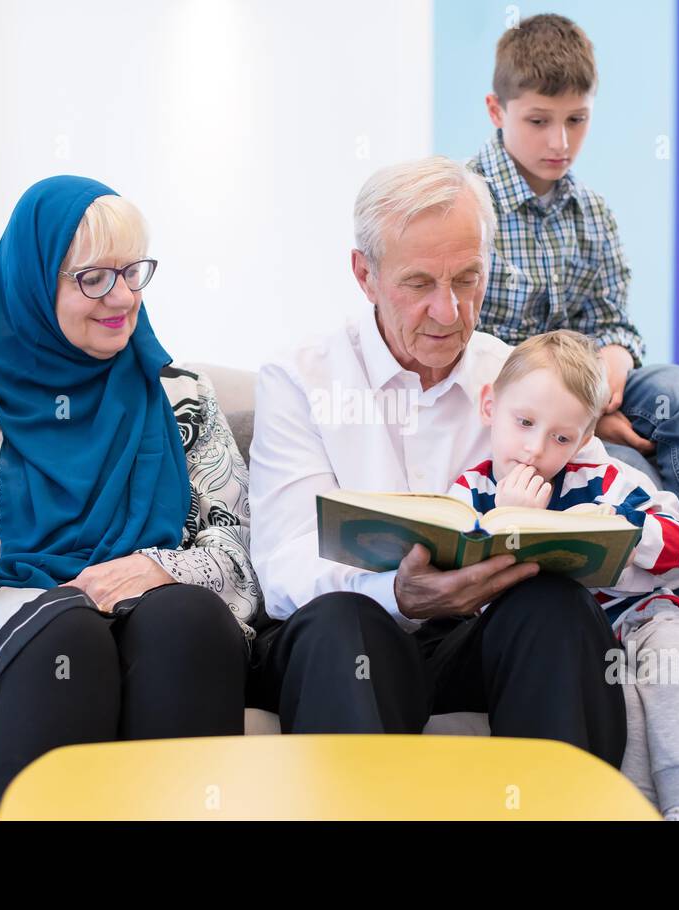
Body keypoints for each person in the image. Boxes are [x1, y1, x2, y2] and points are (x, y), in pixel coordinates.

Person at [249, 157, 626, 763]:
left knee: (555, 608)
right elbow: (283, 568)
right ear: (364, 275)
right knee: (342, 625)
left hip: (473, 639)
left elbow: (606, 496)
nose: (450, 312)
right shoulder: (301, 378)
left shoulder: (515, 377)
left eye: (468, 280)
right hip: (346, 641)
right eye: (420, 284)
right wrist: (397, 593)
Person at [0, 176, 261, 820]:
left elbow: (240, 557)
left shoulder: (180, 396)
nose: (124, 298)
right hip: (16, 625)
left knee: (187, 618)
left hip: (153, 615)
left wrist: (160, 567)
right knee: (66, 635)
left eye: (133, 273)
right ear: (34, 281)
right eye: (94, 279)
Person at [469, 13, 679, 585]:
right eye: (538, 121)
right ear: (495, 110)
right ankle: (677, 602)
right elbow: (470, 347)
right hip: (529, 407)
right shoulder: (468, 205)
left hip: (596, 390)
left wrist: (610, 371)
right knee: (627, 471)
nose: (560, 142)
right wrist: (576, 421)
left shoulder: (594, 213)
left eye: (576, 121)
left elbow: (613, 322)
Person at [446, 329, 679, 819]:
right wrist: (507, 520)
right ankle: (637, 807)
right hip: (580, 649)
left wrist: (626, 535)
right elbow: (464, 586)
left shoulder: (607, 482)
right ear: (489, 407)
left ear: (585, 438)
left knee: (672, 669)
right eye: (523, 422)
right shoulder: (472, 492)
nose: (534, 448)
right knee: (619, 701)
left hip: (644, 620)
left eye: (561, 437)